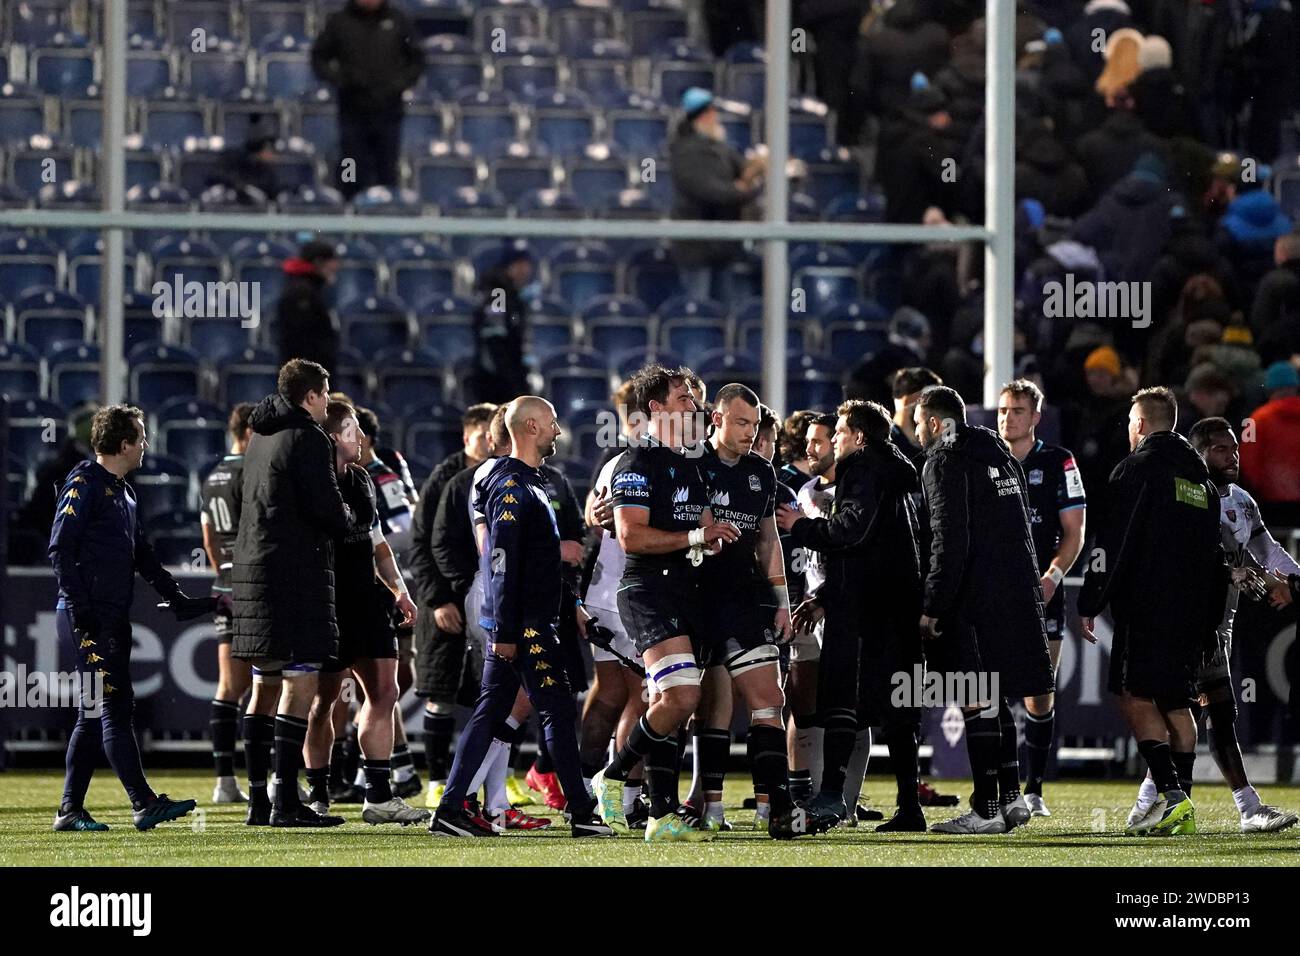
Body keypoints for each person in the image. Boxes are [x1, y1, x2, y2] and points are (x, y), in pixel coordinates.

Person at [429, 397, 612, 838]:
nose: (558, 431)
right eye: (552, 422)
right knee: (555, 711)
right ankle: (582, 812)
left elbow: (529, 560)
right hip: (525, 625)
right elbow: (501, 564)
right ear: (530, 427)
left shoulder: (529, 482)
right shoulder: (512, 485)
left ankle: (451, 808)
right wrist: (506, 630)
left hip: (525, 621)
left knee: (493, 712)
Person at [590, 365, 747, 842]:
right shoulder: (636, 462)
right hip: (648, 592)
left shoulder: (693, 463)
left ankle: (662, 816)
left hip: (687, 592)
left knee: (670, 705)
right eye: (683, 398)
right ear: (655, 409)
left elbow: (702, 529)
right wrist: (697, 536)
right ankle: (613, 776)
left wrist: (711, 541)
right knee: (682, 697)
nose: (693, 406)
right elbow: (631, 537)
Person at [1123, 417, 1298, 834]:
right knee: (1214, 710)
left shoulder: (1242, 502)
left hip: (1221, 624)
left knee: (1194, 714)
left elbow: (1268, 550)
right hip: (1187, 620)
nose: (1232, 456)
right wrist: (1231, 572)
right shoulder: (1188, 497)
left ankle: (1149, 804)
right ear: (1198, 454)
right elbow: (1182, 557)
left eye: (1234, 448)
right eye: (1220, 449)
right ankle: (1247, 807)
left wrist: (1295, 580)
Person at [49, 404, 212, 832]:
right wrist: (80, 606)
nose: (146, 444)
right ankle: (142, 802)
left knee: (94, 712)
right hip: (87, 619)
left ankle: (70, 809)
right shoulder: (84, 482)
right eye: (141, 437)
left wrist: (175, 596)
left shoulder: (124, 492)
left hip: (109, 616)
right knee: (113, 707)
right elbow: (59, 548)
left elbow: (143, 555)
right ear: (124, 445)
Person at [1077, 387, 1229, 837]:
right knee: (1176, 702)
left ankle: (1174, 796)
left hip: (1147, 607)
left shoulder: (1136, 469)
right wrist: (1210, 620)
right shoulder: (1202, 482)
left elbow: (1113, 541)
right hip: (1193, 613)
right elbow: (1216, 558)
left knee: (1133, 694)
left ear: (1140, 424)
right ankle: (1181, 808)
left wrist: (1091, 599)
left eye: (1130, 422)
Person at [778, 400, 927, 833]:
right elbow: (875, 551)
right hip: (897, 608)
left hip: (863, 612)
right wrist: (825, 595)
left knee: (843, 702)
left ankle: (830, 797)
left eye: (840, 432)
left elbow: (850, 534)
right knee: (900, 711)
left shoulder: (863, 471)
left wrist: (799, 527)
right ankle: (909, 806)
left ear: (859, 437)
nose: (836, 440)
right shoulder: (897, 472)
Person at [914, 385, 1053, 834]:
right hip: (1016, 592)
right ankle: (1011, 800)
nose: (916, 432)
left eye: (918, 423)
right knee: (997, 696)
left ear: (935, 423)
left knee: (976, 695)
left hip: (974, 597)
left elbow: (949, 535)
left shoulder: (944, 460)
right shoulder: (1000, 454)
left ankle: (986, 809)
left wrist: (934, 603)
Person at [233, 359, 356, 827]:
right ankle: (286, 800)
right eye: (325, 394)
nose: (328, 403)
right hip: (294, 575)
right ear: (311, 396)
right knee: (299, 684)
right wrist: (349, 516)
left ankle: (258, 800)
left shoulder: (259, 436)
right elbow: (327, 509)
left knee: (263, 686)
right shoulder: (309, 438)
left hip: (253, 570)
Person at [687, 384, 808, 838]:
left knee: (769, 699)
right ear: (716, 419)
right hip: (692, 598)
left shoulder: (761, 471)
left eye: (754, 426)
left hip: (743, 598)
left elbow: (768, 539)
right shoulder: (688, 463)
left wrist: (782, 602)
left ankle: (777, 808)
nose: (749, 433)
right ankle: (662, 802)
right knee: (687, 703)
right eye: (741, 423)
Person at [303, 400, 427, 826]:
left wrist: (400, 591)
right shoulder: (310, 485)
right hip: (329, 602)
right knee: (324, 701)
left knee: (385, 693)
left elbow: (379, 544)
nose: (361, 438)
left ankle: (378, 795)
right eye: (353, 430)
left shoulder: (362, 480)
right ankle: (318, 794)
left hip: (369, 601)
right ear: (334, 436)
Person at [433, 407, 552, 830]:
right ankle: (464, 800)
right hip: (498, 595)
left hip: (497, 592)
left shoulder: (501, 474)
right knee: (500, 702)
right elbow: (495, 549)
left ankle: (492, 804)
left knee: (507, 701)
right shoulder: (499, 475)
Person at [996, 380, 1086, 817]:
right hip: (992, 592)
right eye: (1002, 410)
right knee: (987, 690)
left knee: (1039, 691)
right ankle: (1001, 787)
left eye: (1017, 410)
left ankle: (1034, 789)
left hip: (1041, 592)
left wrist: (1052, 577)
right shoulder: (985, 460)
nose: (1007, 418)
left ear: (1035, 417)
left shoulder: (1058, 461)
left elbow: (1074, 532)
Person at [408, 403, 497, 807]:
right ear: (466, 437)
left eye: (493, 436)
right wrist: (439, 599)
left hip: (484, 600)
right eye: (481, 436)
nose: (489, 443)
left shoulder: (499, 477)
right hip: (445, 601)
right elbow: (423, 544)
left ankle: (485, 781)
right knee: (440, 692)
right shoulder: (445, 479)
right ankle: (437, 780)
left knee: (489, 693)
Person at [310, 0, 424, 199]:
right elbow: (319, 58)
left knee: (387, 167)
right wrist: (340, 80)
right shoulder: (340, 22)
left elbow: (417, 59)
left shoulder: (398, 20)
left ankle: (387, 207)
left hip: (389, 110)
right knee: (350, 163)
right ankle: (348, 202)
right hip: (352, 111)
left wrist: (399, 84)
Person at [199, 402, 254, 804]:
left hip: (225, 585)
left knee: (229, 686)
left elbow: (209, 538)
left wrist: (224, 573)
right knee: (269, 682)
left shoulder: (212, 475)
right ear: (249, 432)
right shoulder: (252, 472)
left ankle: (224, 782)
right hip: (254, 583)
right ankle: (271, 780)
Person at [784, 413, 837, 807]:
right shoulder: (803, 492)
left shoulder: (855, 490)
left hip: (841, 607)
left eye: (819, 441)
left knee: (845, 707)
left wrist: (827, 598)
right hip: (806, 607)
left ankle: (842, 798)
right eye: (809, 441)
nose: (810, 448)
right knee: (803, 701)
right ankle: (806, 791)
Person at [669, 88, 765, 304]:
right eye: (711, 112)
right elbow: (712, 192)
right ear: (701, 116)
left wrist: (756, 171)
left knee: (727, 311)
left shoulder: (722, 149)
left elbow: (744, 171)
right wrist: (743, 190)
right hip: (696, 249)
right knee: (699, 308)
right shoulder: (685, 151)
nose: (715, 117)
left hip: (724, 247)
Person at [468, 241, 534, 405]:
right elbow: (494, 339)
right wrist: (514, 385)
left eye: (526, 264)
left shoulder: (512, 294)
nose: (524, 270)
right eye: (519, 264)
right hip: (496, 385)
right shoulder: (498, 293)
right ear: (508, 266)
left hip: (508, 379)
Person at [1238, 361, 1300, 528]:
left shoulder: (1255, 419)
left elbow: (1246, 461)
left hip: (1270, 503)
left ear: (1270, 389)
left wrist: (1257, 489)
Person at [275, 241, 340, 373]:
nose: (336, 266)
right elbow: (301, 341)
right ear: (318, 262)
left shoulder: (308, 288)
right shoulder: (302, 293)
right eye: (331, 262)